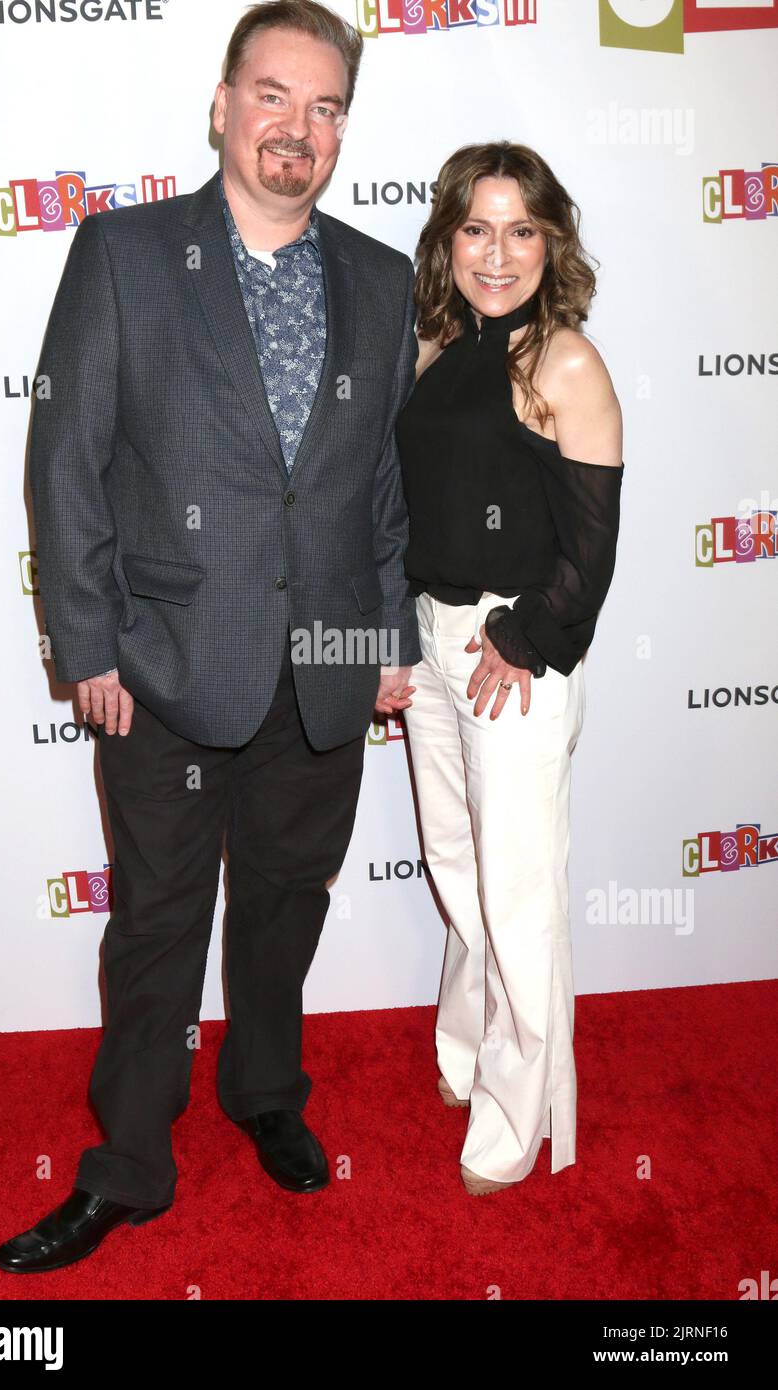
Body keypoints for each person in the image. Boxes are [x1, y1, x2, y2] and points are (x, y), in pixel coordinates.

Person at [0, 0, 418, 1275]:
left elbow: (380, 483)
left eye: (325, 106)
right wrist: (88, 644)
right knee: (160, 921)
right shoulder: (124, 255)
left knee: (286, 904)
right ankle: (128, 1162)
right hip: (167, 666)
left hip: (331, 666)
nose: (298, 127)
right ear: (224, 107)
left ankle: (267, 1092)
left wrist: (388, 635)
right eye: (274, 96)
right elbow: (63, 459)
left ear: (343, 128)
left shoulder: (382, 276)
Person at [396, 142, 623, 1196]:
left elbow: (590, 549)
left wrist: (522, 640)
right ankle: (462, 1047)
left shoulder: (563, 361)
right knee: (456, 870)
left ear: (550, 241)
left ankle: (514, 1117)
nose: (497, 252)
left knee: (517, 892)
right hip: (432, 644)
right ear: (448, 238)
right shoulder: (437, 345)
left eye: (520, 228)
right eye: (476, 228)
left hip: (511, 656)